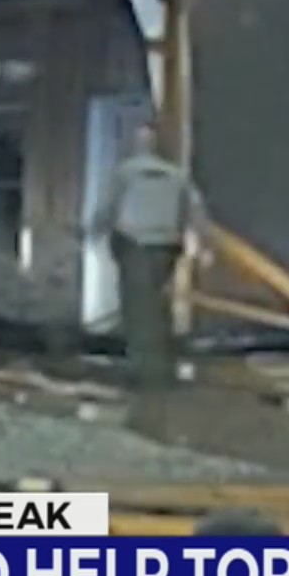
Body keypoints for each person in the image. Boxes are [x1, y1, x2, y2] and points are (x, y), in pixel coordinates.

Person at [90, 123, 210, 386]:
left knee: (136, 310)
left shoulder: (125, 173)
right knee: (158, 307)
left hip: (135, 244)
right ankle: (163, 367)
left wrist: (93, 233)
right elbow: (196, 210)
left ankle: (142, 371)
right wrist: (202, 245)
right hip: (166, 247)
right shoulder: (177, 175)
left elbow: (107, 209)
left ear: (137, 144)